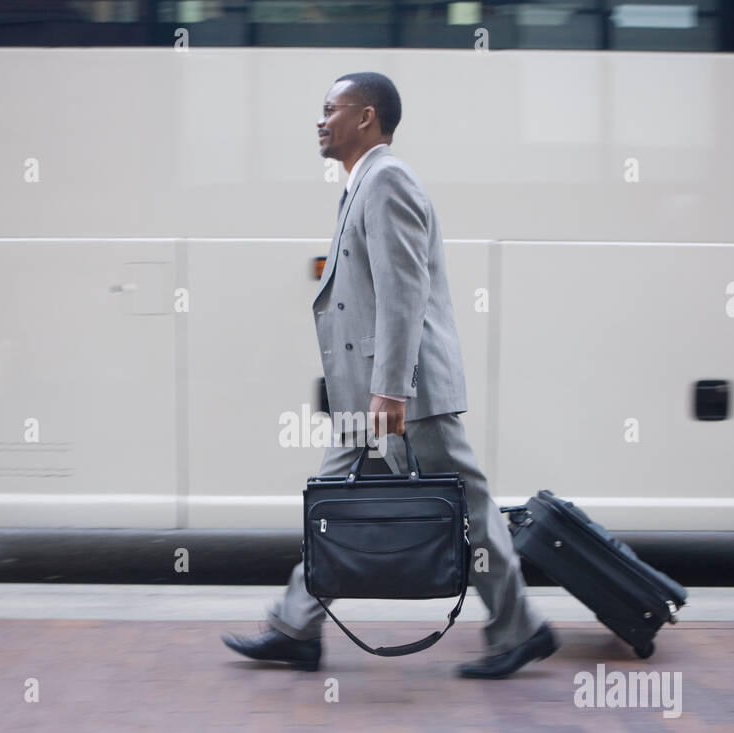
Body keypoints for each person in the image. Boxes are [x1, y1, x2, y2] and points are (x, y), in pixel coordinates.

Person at [222, 71, 555, 678]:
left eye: (330, 109)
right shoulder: (359, 185)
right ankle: (296, 626)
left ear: (366, 116)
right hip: (370, 398)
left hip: (403, 396)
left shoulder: (386, 180)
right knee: (334, 505)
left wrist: (390, 389)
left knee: (469, 510)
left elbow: (405, 292)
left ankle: (519, 628)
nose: (320, 121)